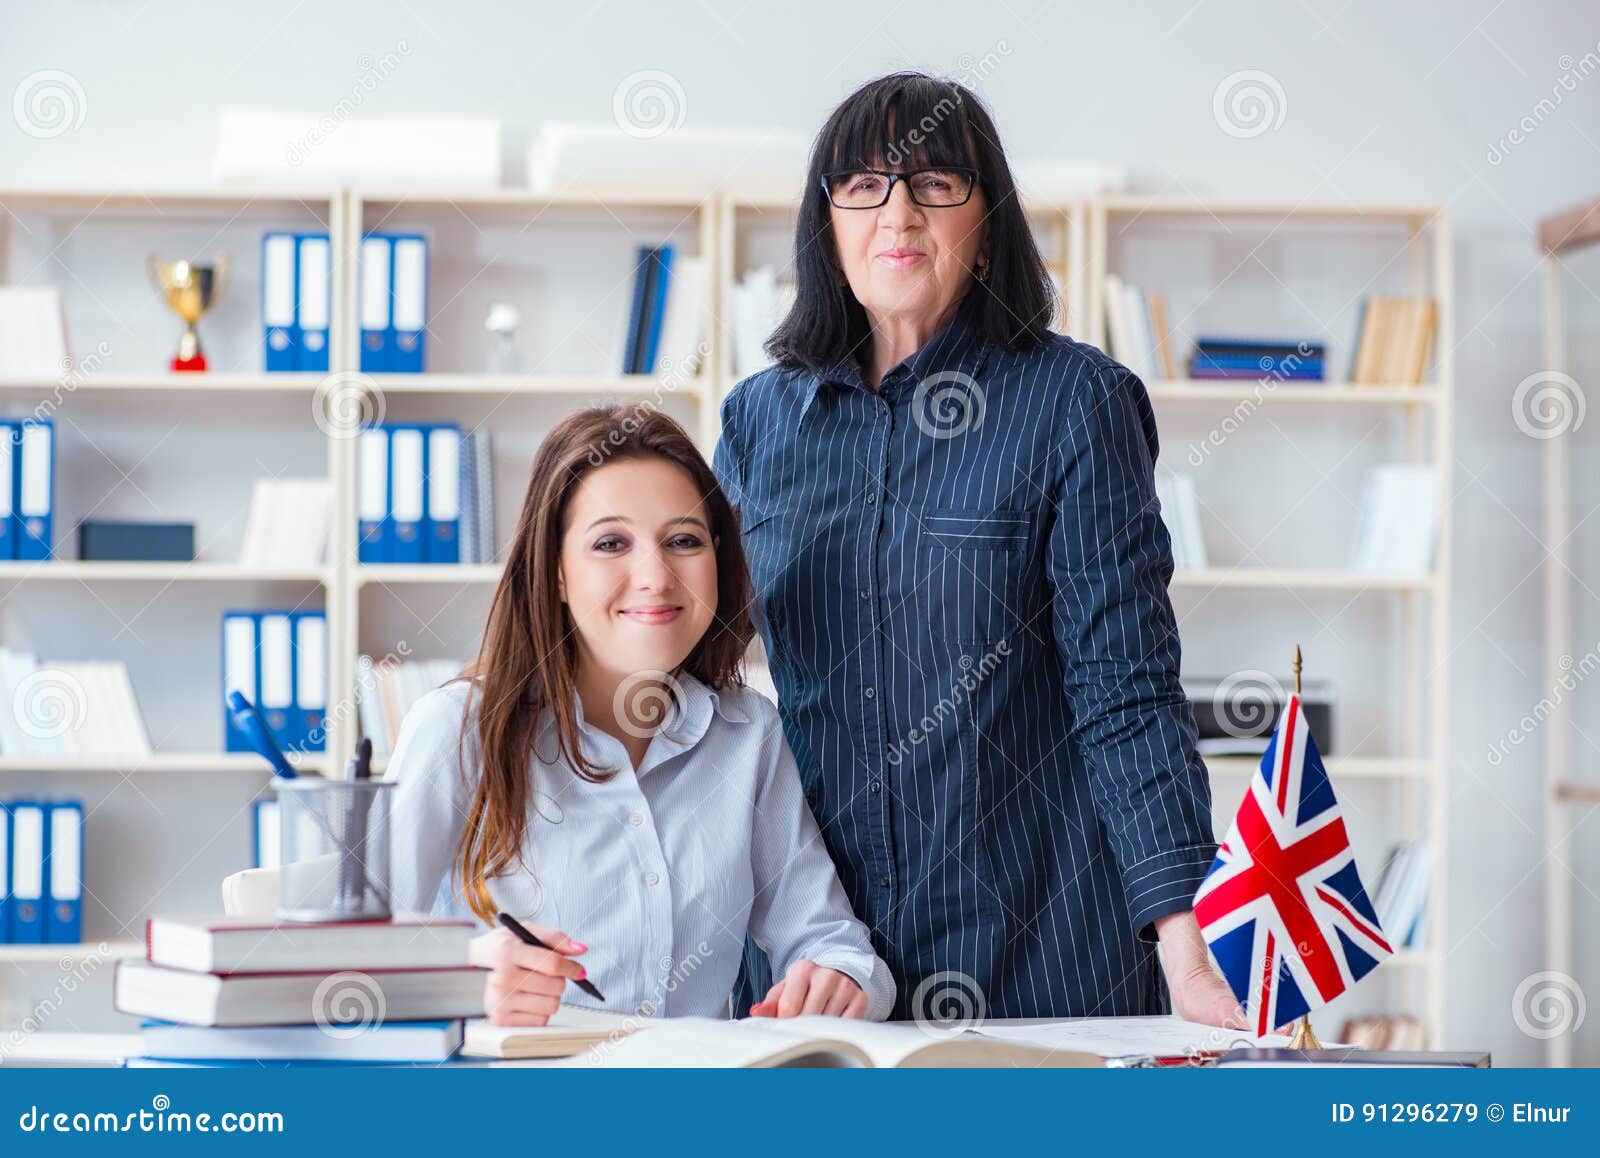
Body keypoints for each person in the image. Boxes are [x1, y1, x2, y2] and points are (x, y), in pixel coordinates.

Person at [715, 71, 1243, 1026]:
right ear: (826, 224)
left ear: (988, 220)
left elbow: (1125, 690)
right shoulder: (760, 420)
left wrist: (1188, 947)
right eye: (864, 185)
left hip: (1041, 960)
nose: (899, 213)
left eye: (935, 182)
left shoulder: (1077, 404)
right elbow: (689, 678)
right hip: (819, 967)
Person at [389, 406, 895, 1025]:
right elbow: (338, 969)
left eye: (684, 541)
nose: (656, 578)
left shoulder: (746, 733)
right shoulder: (458, 729)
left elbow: (831, 940)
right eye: (611, 544)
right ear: (555, 573)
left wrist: (840, 978)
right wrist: (465, 978)